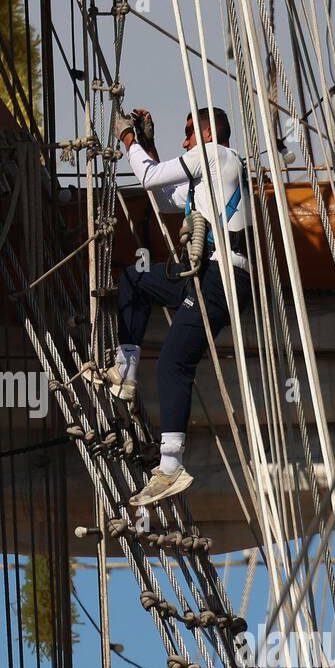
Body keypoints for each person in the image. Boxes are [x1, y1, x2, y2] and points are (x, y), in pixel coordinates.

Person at [96, 105, 252, 508]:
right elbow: (164, 191)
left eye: (188, 133)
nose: (184, 142)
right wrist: (147, 143)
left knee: (173, 364)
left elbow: (148, 175)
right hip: (202, 275)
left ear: (207, 132)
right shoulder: (210, 175)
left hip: (221, 280)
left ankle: (170, 467)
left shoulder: (216, 155)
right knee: (134, 279)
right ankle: (126, 369)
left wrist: (128, 139)